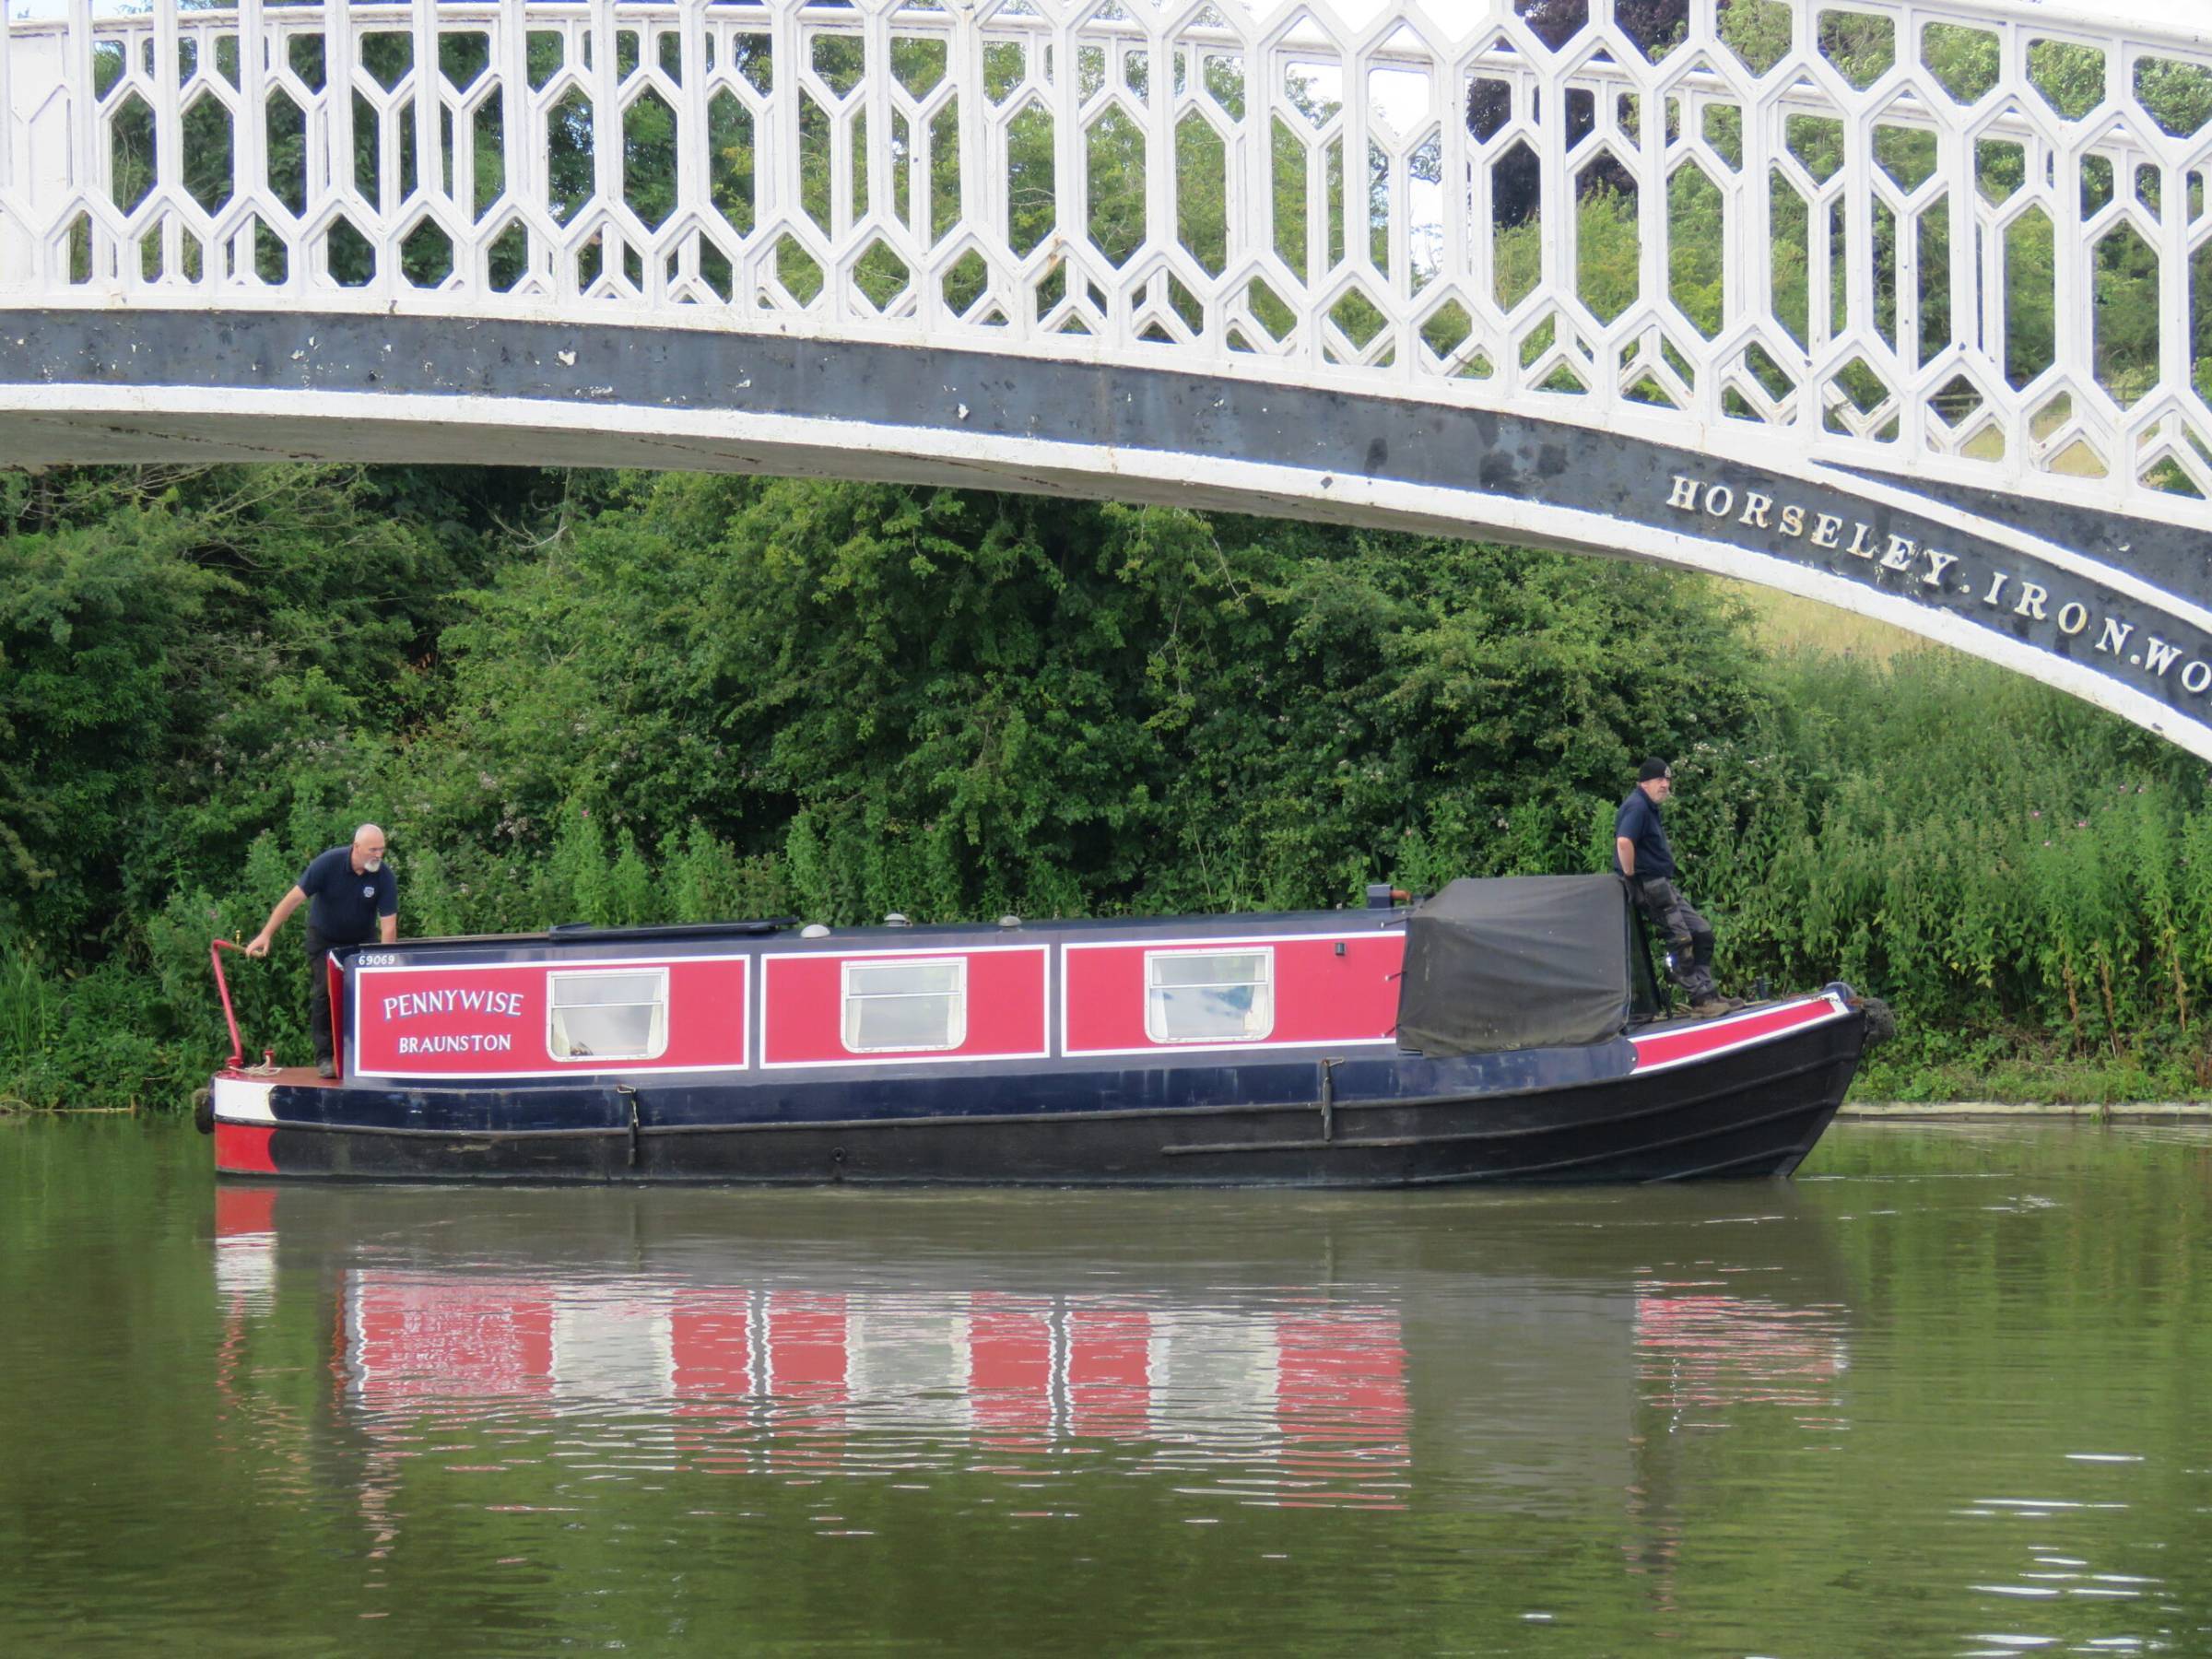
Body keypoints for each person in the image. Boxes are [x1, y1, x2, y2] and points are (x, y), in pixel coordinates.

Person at [245, 824, 397, 1077]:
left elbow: (389, 927)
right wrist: (266, 933)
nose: (378, 855)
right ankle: (326, 1058)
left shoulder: (384, 876)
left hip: (362, 941)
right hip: (324, 940)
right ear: (356, 848)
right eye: (373, 850)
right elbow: (293, 899)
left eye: (382, 850)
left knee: (367, 995)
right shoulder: (328, 864)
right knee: (325, 992)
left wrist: (386, 965)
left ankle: (364, 1054)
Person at [1614, 759, 1739, 1019]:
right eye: (1660, 780)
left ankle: (1709, 991)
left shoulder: (1648, 806)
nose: (1665, 785)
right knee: (1680, 940)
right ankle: (1699, 1000)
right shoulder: (1637, 806)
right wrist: (1629, 876)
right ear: (1644, 782)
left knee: (1702, 933)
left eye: (1668, 780)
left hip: (1663, 883)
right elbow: (1624, 841)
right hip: (1649, 884)